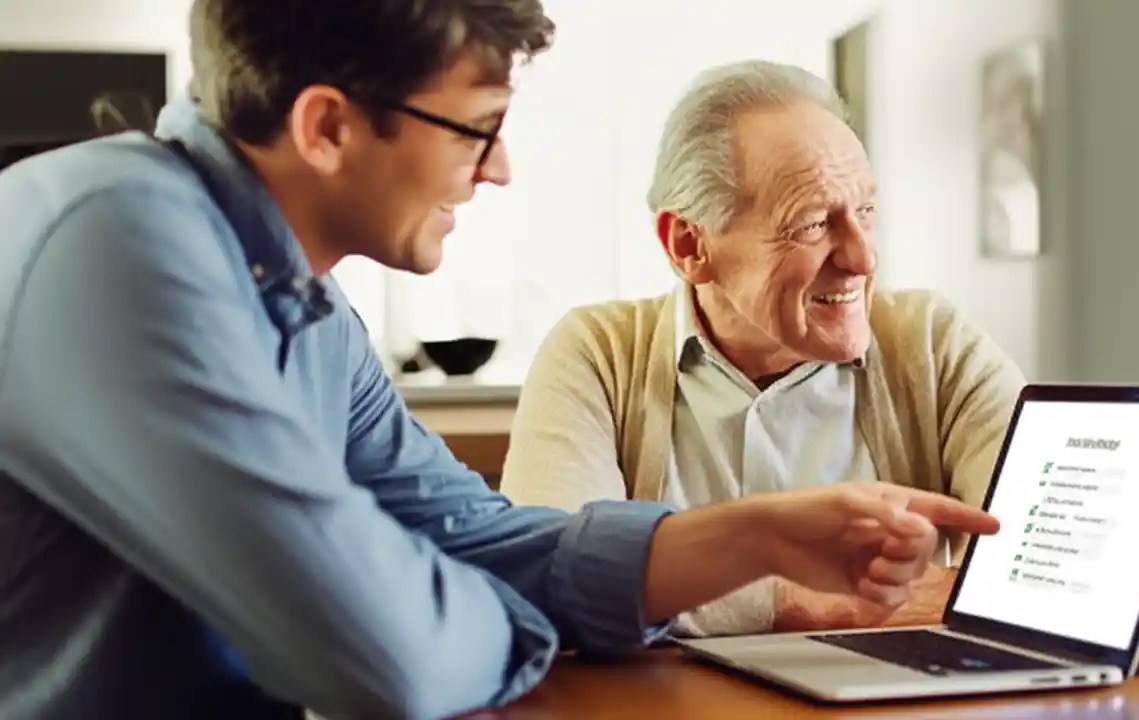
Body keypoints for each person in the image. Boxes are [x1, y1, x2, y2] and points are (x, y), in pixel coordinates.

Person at [0, 5, 1004, 720]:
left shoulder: (305, 305)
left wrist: (748, 538)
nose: (501, 168)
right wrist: (520, 622)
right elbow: (381, 654)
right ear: (327, 127)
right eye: (476, 128)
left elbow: (479, 538)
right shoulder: (116, 244)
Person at [500, 60, 1139, 680]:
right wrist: (815, 603)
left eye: (865, 211)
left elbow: (1055, 514)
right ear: (686, 245)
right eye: (812, 223)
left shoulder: (928, 340)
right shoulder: (596, 352)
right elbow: (545, 577)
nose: (863, 257)